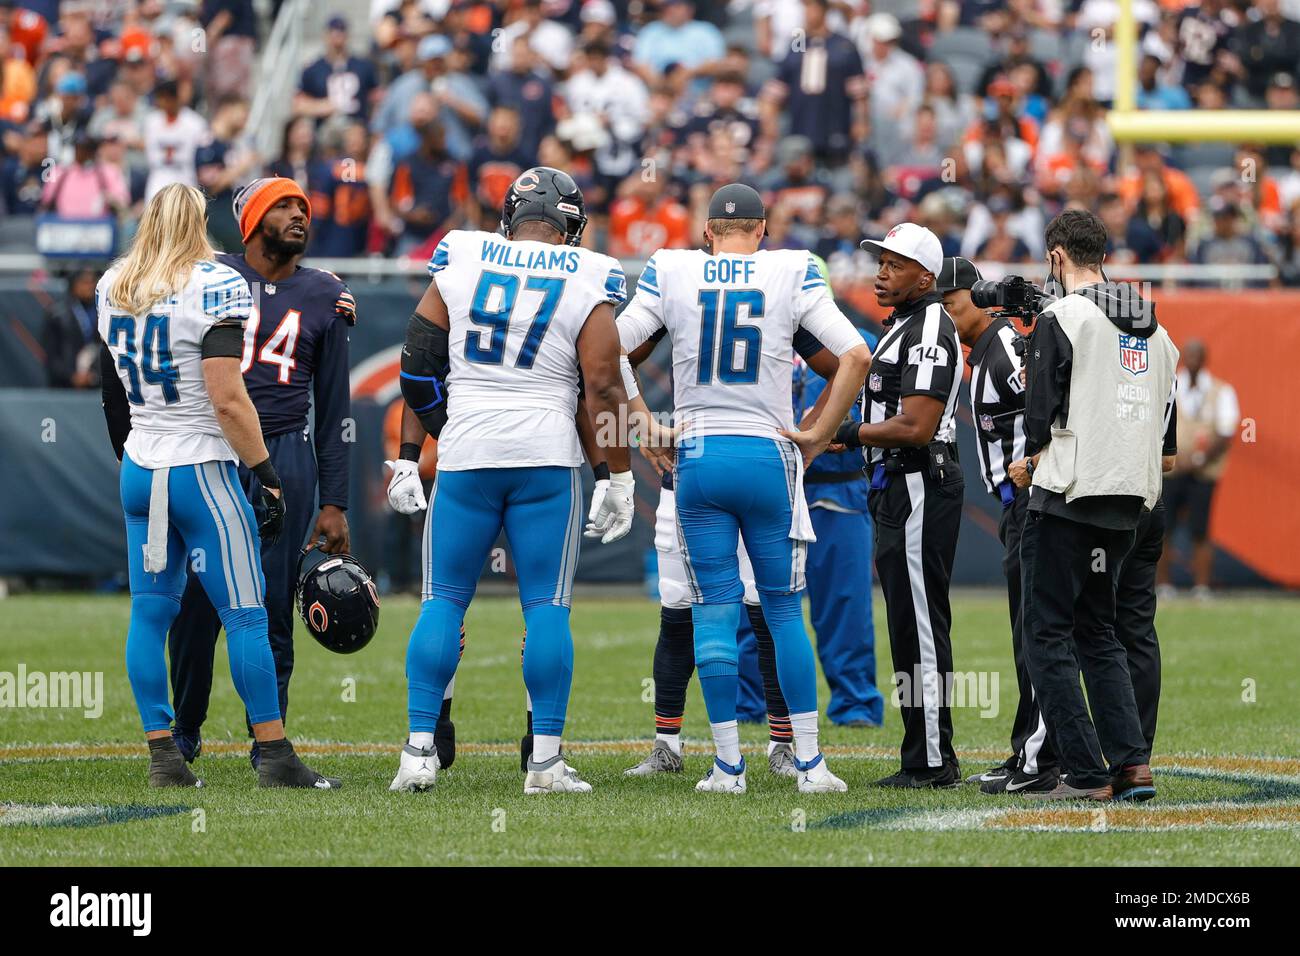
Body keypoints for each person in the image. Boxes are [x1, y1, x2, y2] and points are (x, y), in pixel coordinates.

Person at [387, 166, 634, 795]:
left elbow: (418, 364)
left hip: (468, 450)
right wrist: (619, 475)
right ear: (570, 225)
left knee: (443, 599)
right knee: (547, 607)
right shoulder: (589, 272)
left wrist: (418, 447)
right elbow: (603, 385)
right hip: (546, 453)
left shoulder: (463, 254)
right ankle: (544, 764)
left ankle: (418, 752)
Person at [618, 183, 872, 794]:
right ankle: (808, 764)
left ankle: (726, 766)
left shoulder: (673, 269)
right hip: (767, 451)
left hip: (699, 451)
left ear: (708, 232)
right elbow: (856, 355)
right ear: (763, 230)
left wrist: (641, 421)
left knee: (712, 612)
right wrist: (818, 434)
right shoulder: (790, 270)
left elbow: (605, 349)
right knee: (782, 611)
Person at [97, 182, 338, 790]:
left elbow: (111, 390)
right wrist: (266, 475)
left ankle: (164, 753)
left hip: (140, 467)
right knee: (248, 613)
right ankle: (274, 752)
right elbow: (229, 400)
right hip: (201, 468)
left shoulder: (115, 286)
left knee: (151, 616)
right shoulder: (214, 285)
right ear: (200, 223)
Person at [165, 177, 356, 769]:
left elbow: (335, 410)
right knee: (196, 600)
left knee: (272, 603)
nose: (299, 214)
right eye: (283, 206)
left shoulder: (325, 292)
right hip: (209, 446)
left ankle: (267, 741)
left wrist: (336, 500)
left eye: (303, 205)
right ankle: (185, 728)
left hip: (285, 453)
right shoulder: (208, 274)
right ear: (250, 221)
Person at [1010, 208, 1178, 801]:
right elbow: (1165, 435)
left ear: (1057, 256)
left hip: (1068, 491)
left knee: (1046, 635)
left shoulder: (1063, 315)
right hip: (1131, 501)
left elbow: (1039, 417)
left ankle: (1085, 773)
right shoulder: (1160, 332)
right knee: (1100, 632)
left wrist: (1028, 462)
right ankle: (1133, 764)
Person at [836, 223, 963, 789]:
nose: (881, 273)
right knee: (908, 625)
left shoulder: (931, 325)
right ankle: (923, 754)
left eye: (895, 264)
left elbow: (917, 425)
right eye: (880, 262)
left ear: (926, 276)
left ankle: (933, 759)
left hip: (916, 482)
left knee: (920, 627)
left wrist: (848, 433)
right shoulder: (904, 325)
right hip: (895, 487)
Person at [938, 256, 1056, 794]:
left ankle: (1040, 757)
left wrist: (1034, 473)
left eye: (951, 301)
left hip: (1030, 502)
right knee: (1023, 638)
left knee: (1037, 635)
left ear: (977, 299)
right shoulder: (981, 352)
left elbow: (1050, 411)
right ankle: (1024, 750)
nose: (945, 311)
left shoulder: (1006, 347)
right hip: (1016, 506)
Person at [790, 261, 884, 728]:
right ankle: (752, 704)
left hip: (838, 492)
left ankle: (855, 703)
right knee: (755, 606)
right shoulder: (767, 339)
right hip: (777, 490)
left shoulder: (861, 346)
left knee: (844, 608)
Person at [1159, 338, 1239, 598]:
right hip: (1172, 468)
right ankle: (1163, 585)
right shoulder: (1169, 386)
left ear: (1204, 359)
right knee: (1164, 527)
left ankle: (1202, 585)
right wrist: (1173, 456)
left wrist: (1200, 459)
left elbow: (1226, 430)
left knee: (1201, 529)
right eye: (1189, 356)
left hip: (1204, 472)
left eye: (1197, 356)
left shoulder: (1221, 390)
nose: (1192, 361)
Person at [42, 267, 101, 389]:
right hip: (64, 384)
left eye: (92, 282)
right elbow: (52, 354)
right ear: (73, 284)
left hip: (96, 382)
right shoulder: (57, 314)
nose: (89, 286)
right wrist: (71, 376)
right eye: (84, 282)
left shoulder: (103, 312)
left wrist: (94, 375)